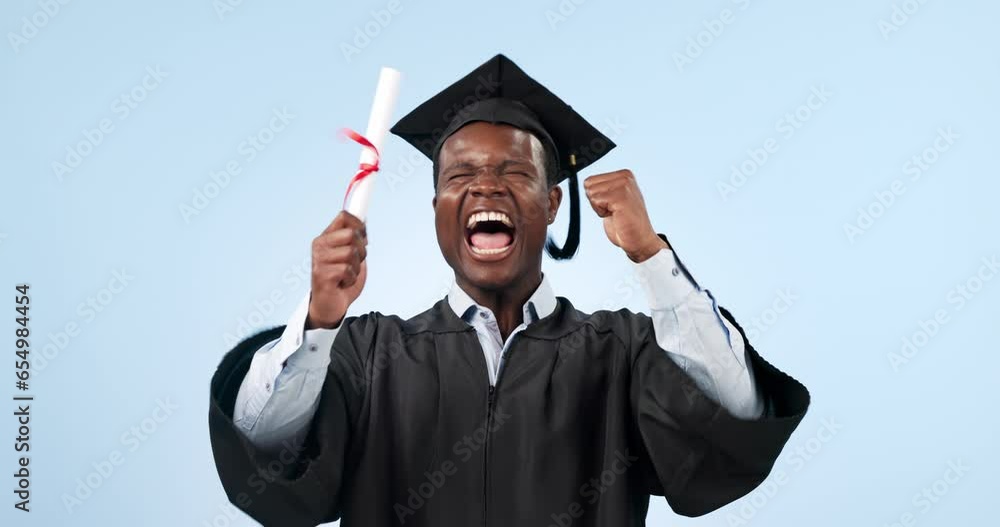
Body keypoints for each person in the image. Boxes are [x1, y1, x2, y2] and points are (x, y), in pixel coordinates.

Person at [208, 54, 810, 527]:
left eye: (517, 173)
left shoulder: (621, 349)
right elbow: (263, 444)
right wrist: (317, 320)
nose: (486, 188)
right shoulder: (369, 353)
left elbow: (737, 413)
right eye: (461, 176)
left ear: (551, 204)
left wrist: (652, 257)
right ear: (438, 207)